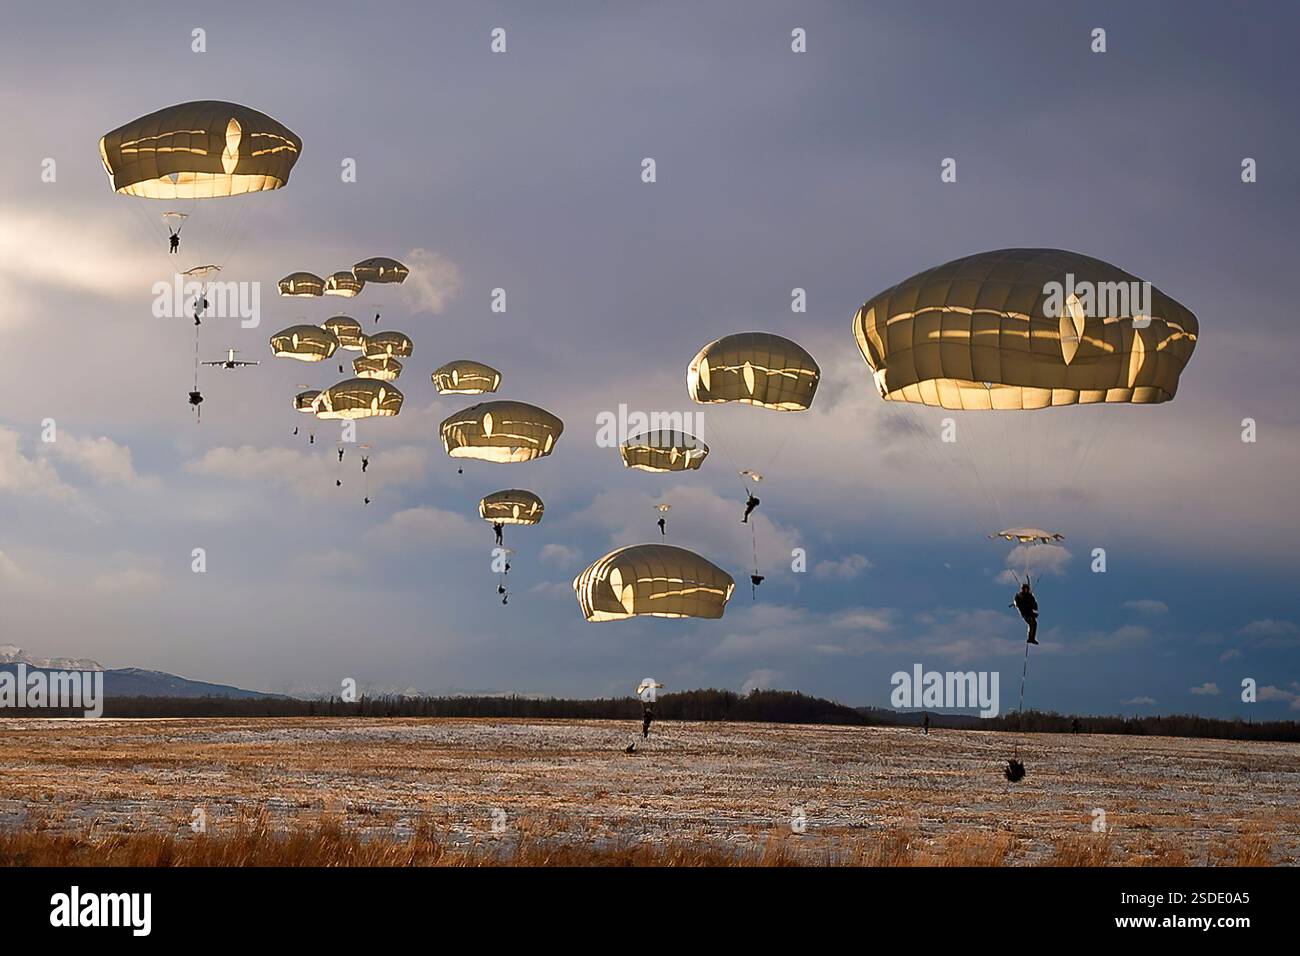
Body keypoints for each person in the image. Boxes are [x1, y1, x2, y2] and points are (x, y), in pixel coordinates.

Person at [1011, 579, 1039, 644]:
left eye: (1027, 589)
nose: (1026, 590)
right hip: (1025, 614)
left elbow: (1035, 607)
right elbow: (1017, 604)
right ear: (1022, 589)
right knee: (1031, 623)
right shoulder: (1019, 596)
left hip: (1030, 613)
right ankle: (1030, 638)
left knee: (1034, 624)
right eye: (1024, 589)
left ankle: (1032, 638)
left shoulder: (1030, 596)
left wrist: (1032, 601)